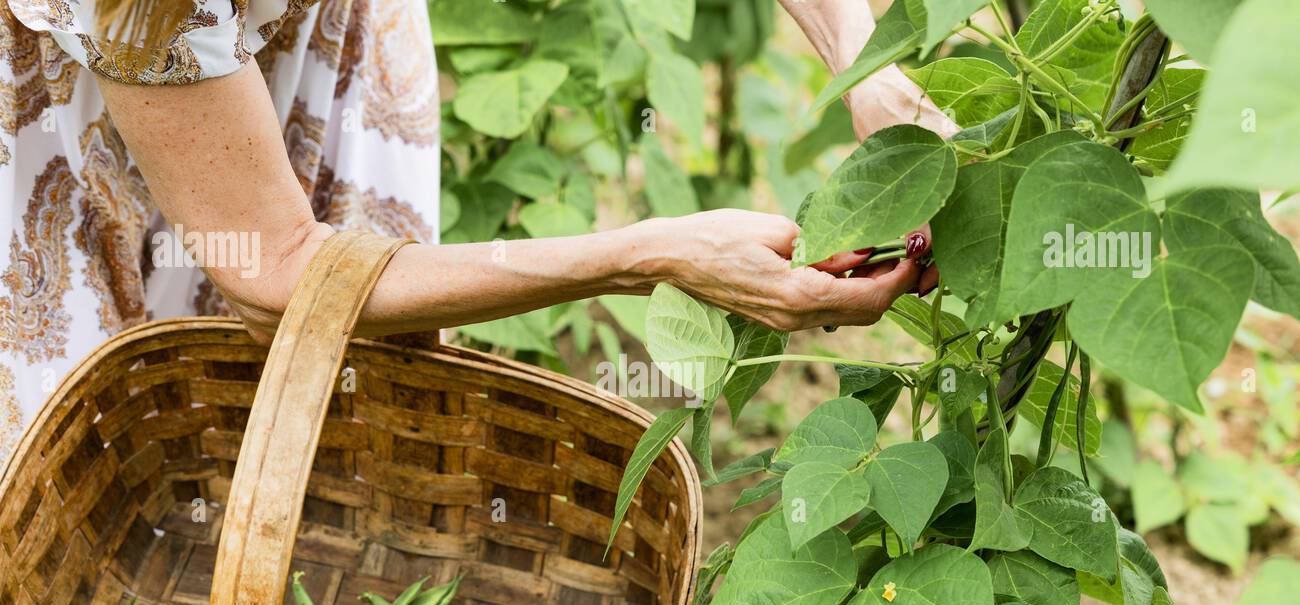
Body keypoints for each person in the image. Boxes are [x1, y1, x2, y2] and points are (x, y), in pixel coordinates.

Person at [0, 0, 955, 462]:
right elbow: (280, 269)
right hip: (110, 136)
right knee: (115, 464)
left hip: (307, 53)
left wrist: (865, 64)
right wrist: (646, 254)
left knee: (328, 451)